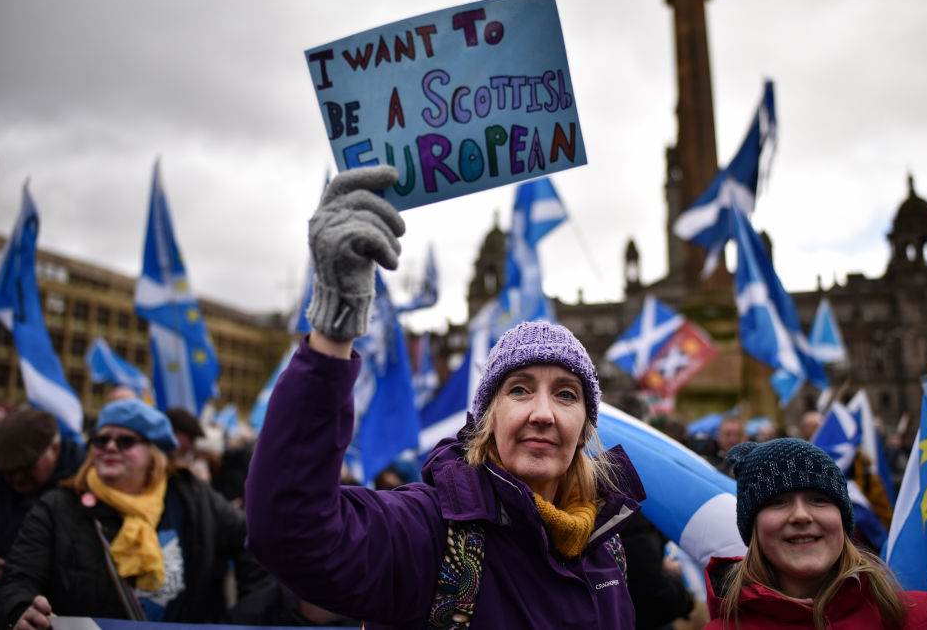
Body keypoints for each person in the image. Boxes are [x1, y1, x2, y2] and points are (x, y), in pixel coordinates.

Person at [246, 165, 646, 628]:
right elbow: (291, 533)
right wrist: (334, 327)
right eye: (519, 390)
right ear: (486, 418)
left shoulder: (606, 541)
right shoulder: (429, 532)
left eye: (566, 395)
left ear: (584, 428)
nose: (543, 413)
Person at [0, 398, 269, 628]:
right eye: (101, 440)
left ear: (153, 453)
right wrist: (20, 609)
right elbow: (19, 578)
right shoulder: (59, 506)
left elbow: (252, 541)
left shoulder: (192, 496)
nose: (110, 447)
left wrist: (242, 617)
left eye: (125, 440)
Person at [702, 437, 927, 629]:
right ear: (752, 527)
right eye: (777, 502)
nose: (802, 515)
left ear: (843, 520)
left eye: (819, 499)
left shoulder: (926, 616)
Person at [0, 408, 85, 621]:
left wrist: (11, 583)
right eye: (8, 471)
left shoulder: (83, 497)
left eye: (25, 468)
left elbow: (87, 581)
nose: (16, 478)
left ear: (55, 448)